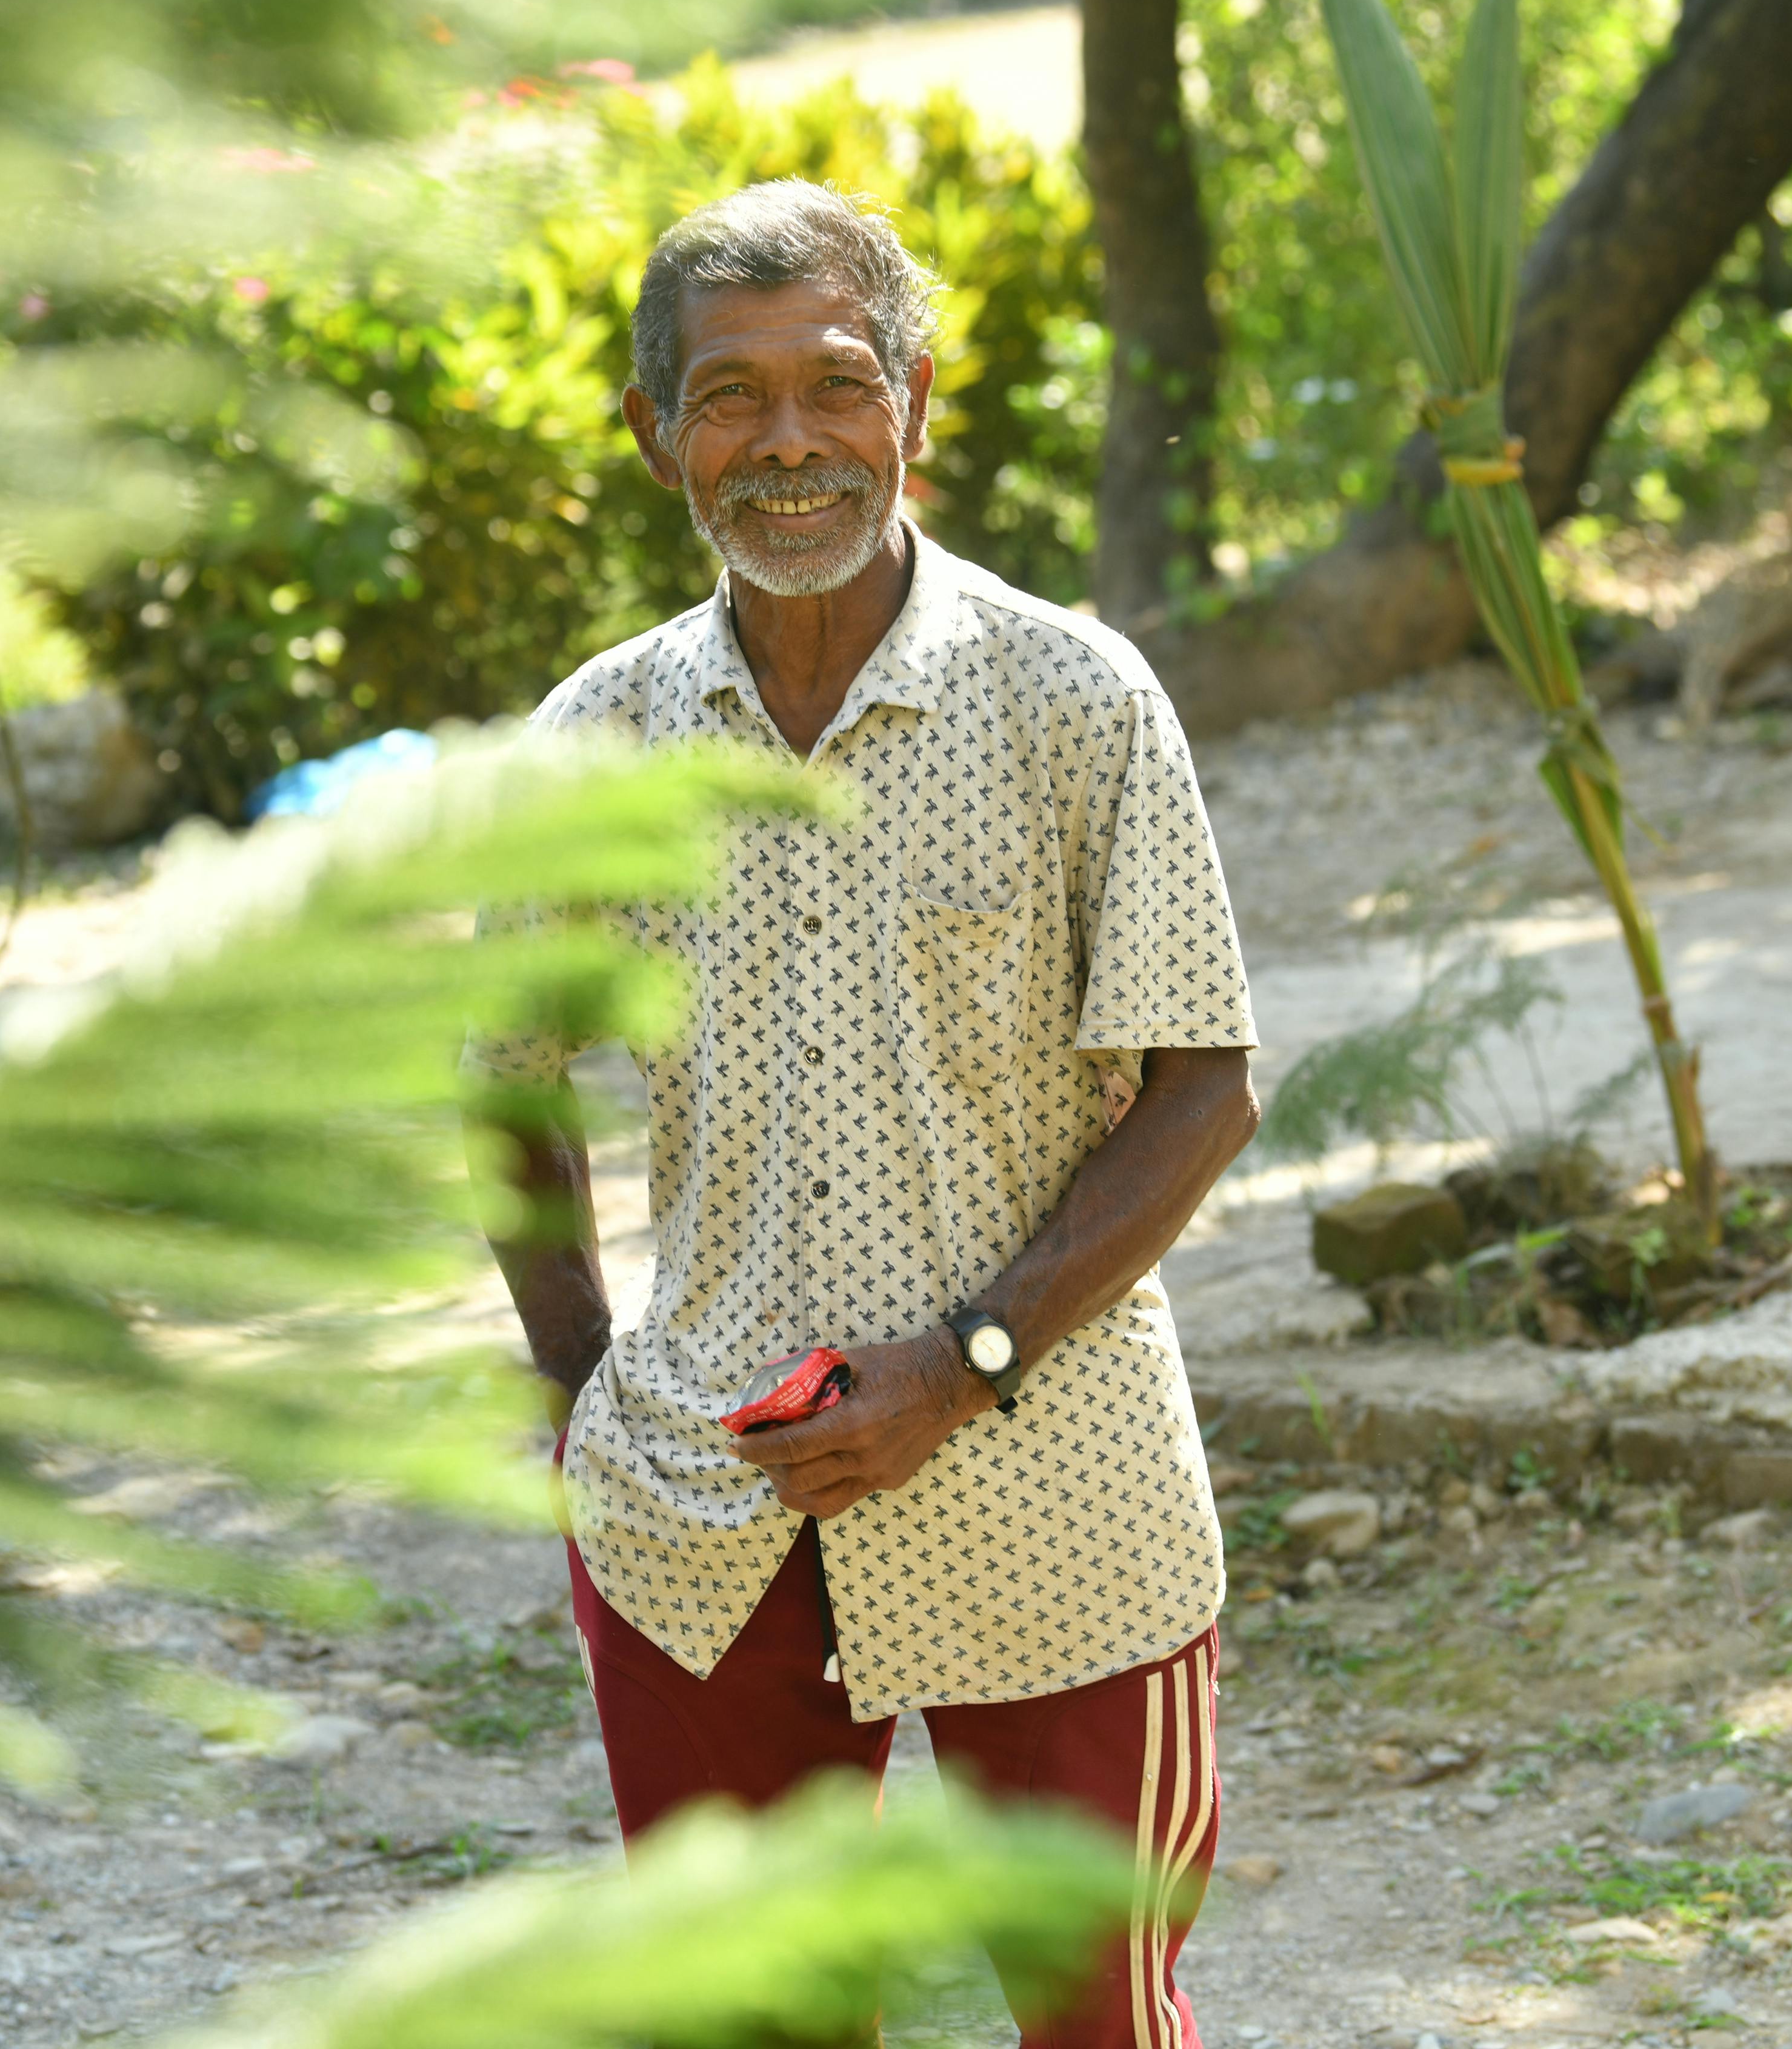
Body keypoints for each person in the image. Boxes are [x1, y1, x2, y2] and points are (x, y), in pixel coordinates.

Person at [472, 181, 1262, 2048]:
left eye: (836, 383)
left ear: (912, 398)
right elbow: (505, 1086)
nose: (789, 444)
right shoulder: (595, 741)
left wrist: (962, 1362)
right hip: (710, 1502)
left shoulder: (1072, 696)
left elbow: (1203, 1090)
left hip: (1060, 1491)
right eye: (729, 398)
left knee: (1098, 2015)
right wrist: (586, 1392)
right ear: (655, 433)